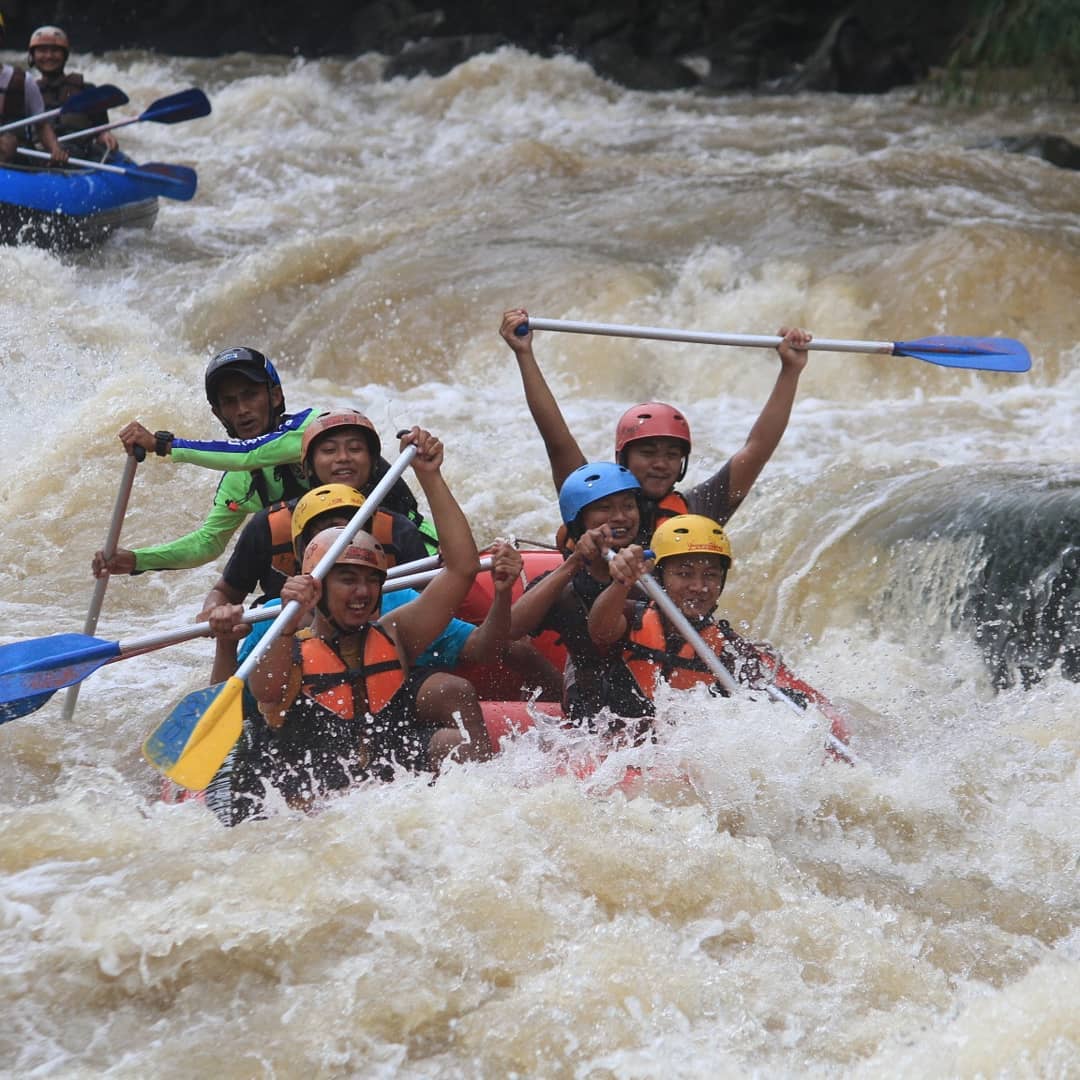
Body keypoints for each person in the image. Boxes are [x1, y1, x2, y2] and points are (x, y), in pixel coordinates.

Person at [202, 427, 493, 821]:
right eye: (346, 579)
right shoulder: (280, 635)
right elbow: (238, 705)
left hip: (379, 767)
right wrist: (235, 640)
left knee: (455, 744)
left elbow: (462, 569)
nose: (362, 593)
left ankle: (480, 822)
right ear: (315, 580)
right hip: (306, 786)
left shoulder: (394, 631)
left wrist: (430, 476)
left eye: (370, 580)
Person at [91, 348, 432, 577]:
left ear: (275, 396)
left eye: (251, 395)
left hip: (415, 554)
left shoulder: (311, 429)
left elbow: (250, 453)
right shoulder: (240, 478)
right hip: (342, 578)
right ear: (218, 412)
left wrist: (163, 444)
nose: (241, 409)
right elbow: (207, 543)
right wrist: (138, 560)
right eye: (229, 401)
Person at [499, 308, 812, 544]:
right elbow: (556, 439)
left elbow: (756, 451)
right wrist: (524, 353)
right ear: (623, 459)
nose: (661, 464)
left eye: (672, 455)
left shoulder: (696, 508)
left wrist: (790, 371)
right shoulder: (590, 494)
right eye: (648, 453)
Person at [587, 514, 850, 743]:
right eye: (684, 573)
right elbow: (599, 631)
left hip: (672, 758)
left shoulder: (729, 650)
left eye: (710, 575)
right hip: (614, 746)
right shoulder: (631, 615)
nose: (699, 587)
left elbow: (805, 702)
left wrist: (813, 717)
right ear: (660, 576)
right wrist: (622, 581)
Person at [197, 410, 435, 617]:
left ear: (374, 463)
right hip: (292, 642)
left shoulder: (397, 528)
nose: (343, 458)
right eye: (329, 450)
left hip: (377, 639)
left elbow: (433, 601)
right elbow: (225, 592)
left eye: (355, 449)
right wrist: (214, 613)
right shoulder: (268, 526)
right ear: (307, 467)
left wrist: (430, 474)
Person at [508, 461, 646, 724]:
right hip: (591, 700)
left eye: (628, 506)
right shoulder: (565, 585)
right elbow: (511, 629)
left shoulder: (652, 571)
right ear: (579, 521)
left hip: (649, 687)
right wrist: (574, 562)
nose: (620, 517)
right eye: (605, 508)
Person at [28, 25, 118, 157]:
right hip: (40, 155)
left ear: (65, 55)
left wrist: (104, 135)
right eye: (42, 50)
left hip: (79, 153)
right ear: (32, 56)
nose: (49, 56)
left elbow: (101, 128)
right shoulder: (27, 91)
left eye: (55, 51)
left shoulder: (87, 90)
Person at [0, 13, 68, 166]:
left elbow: (41, 124)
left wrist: (55, 148)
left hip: (15, 155)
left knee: (7, 143)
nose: (49, 56)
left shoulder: (24, 81)